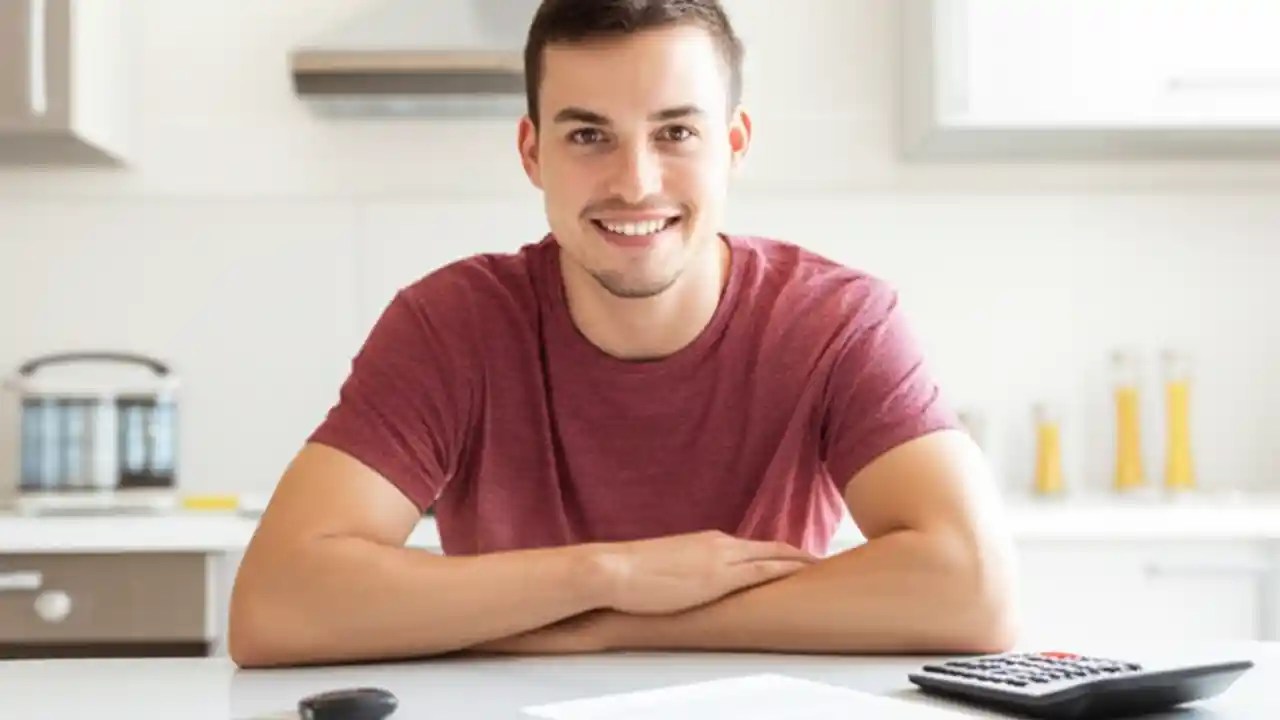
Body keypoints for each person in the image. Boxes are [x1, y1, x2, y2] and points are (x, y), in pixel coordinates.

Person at [228, 0, 1018, 668]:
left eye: (675, 133)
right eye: (588, 136)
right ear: (533, 152)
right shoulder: (449, 326)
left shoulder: (837, 322)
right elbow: (273, 606)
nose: (635, 181)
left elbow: (976, 589)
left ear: (733, 145)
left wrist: (617, 626)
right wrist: (613, 573)